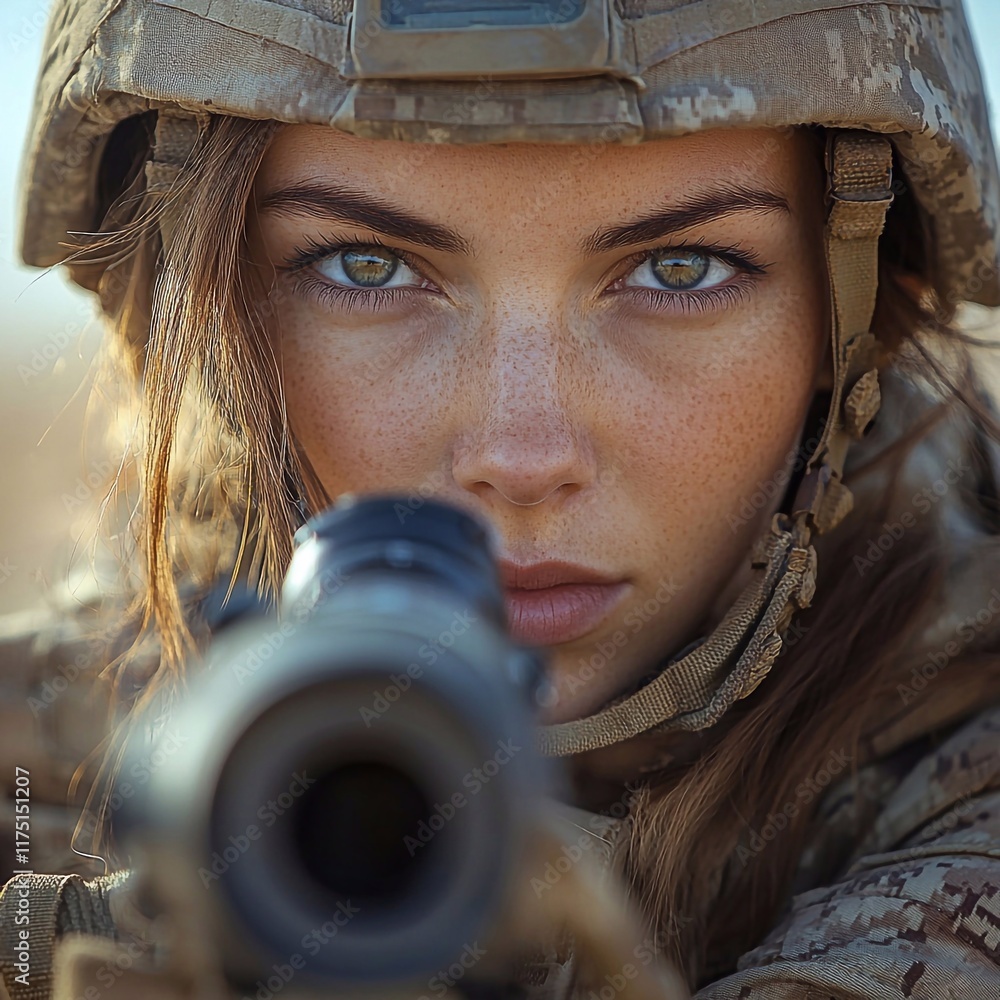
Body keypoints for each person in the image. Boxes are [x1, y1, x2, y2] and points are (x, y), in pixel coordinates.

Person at [2, 0, 1000, 997]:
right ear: (205, 305)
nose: (522, 459)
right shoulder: (31, 767)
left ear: (849, 323)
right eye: (367, 267)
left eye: (680, 269)